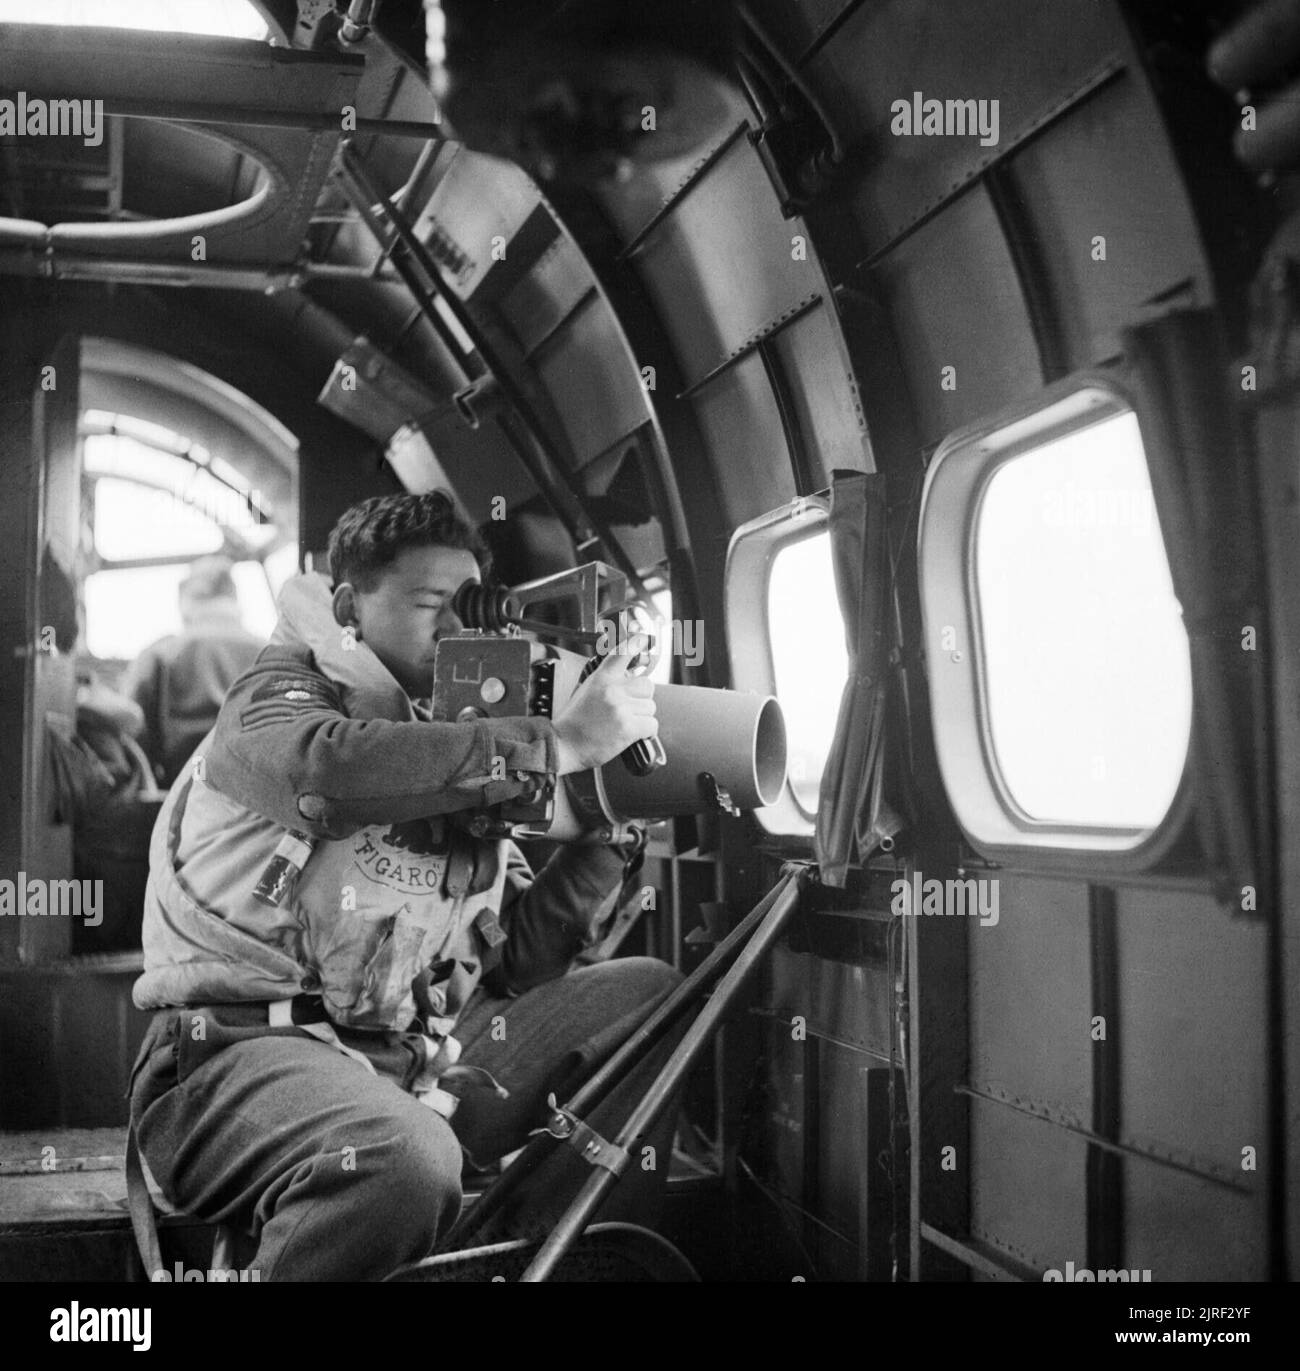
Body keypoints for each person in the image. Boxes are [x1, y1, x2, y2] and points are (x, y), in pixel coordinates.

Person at [127, 491, 679, 1280]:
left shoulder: (452, 738)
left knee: (654, 997)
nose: (454, 626)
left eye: (470, 606)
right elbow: (327, 773)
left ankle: (493, 1257)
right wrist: (555, 743)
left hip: (409, 1065)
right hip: (228, 1063)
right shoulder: (275, 705)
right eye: (429, 603)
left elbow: (516, 958)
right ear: (350, 604)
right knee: (403, 1155)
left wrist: (614, 816)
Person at [124, 556, 264, 786]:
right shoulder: (271, 651)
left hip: (183, 793)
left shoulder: (161, 654)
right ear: (233, 596)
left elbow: (133, 731)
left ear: (185, 600)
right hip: (259, 799)